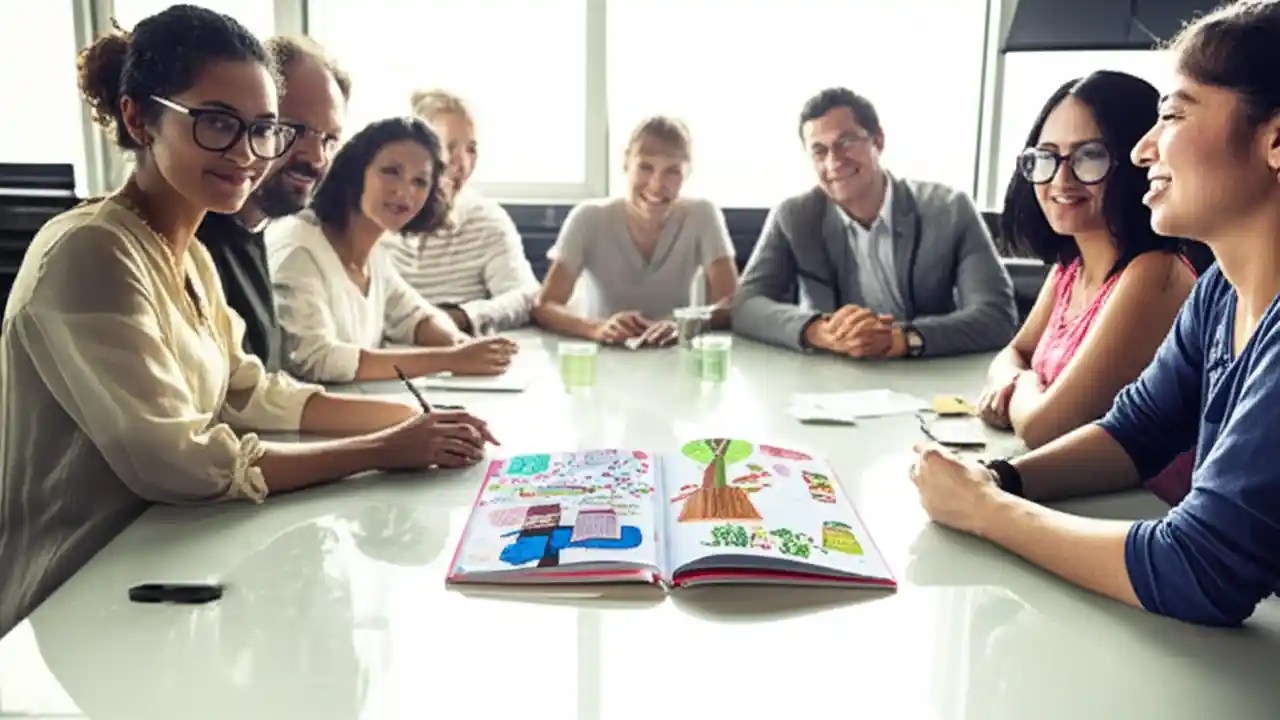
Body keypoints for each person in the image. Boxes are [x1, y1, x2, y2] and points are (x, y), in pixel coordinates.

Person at [0, 6, 497, 639]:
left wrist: (411, 419)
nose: (247, 153)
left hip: (166, 559)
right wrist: (383, 450)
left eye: (263, 129)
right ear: (139, 118)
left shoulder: (190, 253)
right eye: (216, 123)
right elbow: (180, 461)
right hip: (73, 591)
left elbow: (251, 392)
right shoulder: (92, 251)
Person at [911, 0, 1280, 627]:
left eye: (1173, 115)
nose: (1142, 151)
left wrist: (986, 510)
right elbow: (1135, 432)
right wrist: (999, 478)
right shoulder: (1220, 292)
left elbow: (1200, 566)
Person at [976, 71, 1198, 503]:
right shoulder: (1070, 267)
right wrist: (1014, 376)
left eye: (1089, 156)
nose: (1061, 179)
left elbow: (1045, 428)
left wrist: (1017, 387)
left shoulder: (1154, 273)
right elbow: (1013, 352)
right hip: (1082, 497)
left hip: (1148, 511)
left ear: (1138, 161)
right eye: (1047, 156)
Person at [733, 87, 1017, 358]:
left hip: (928, 367)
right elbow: (745, 305)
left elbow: (997, 316)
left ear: (878, 141)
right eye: (819, 151)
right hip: (829, 372)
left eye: (846, 142)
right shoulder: (794, 217)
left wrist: (898, 339)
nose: (833, 162)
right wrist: (820, 331)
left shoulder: (948, 210)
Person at [267, 116, 518, 383]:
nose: (404, 191)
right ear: (356, 172)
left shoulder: (374, 254)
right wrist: (451, 359)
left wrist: (461, 344)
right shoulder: (298, 248)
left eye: (420, 182)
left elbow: (416, 316)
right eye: (391, 172)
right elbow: (316, 359)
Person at [196, 36, 350, 371]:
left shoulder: (252, 233)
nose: (317, 157)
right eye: (294, 129)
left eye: (329, 140)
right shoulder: (195, 242)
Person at [532, 116, 739, 346]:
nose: (656, 185)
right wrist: (596, 327)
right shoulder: (588, 218)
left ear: (687, 173)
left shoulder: (702, 215)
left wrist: (683, 324)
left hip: (673, 352)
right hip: (605, 353)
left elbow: (731, 303)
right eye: (645, 167)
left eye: (672, 171)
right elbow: (545, 305)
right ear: (625, 163)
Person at [382, 89, 539, 335]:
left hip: (462, 349)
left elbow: (525, 296)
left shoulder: (487, 220)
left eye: (471, 149)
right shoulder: (379, 220)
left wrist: (462, 317)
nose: (463, 164)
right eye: (450, 147)